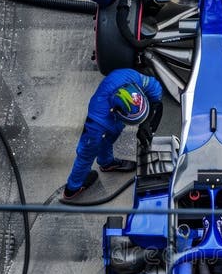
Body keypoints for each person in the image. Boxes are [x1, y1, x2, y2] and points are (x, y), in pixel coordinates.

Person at [61, 68, 163, 201]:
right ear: (117, 113)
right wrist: (72, 187)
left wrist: (147, 122)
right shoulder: (97, 118)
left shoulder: (133, 77)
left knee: (111, 136)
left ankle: (106, 163)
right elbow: (86, 152)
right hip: (101, 118)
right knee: (87, 153)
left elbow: (156, 89)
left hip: (115, 113)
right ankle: (72, 189)